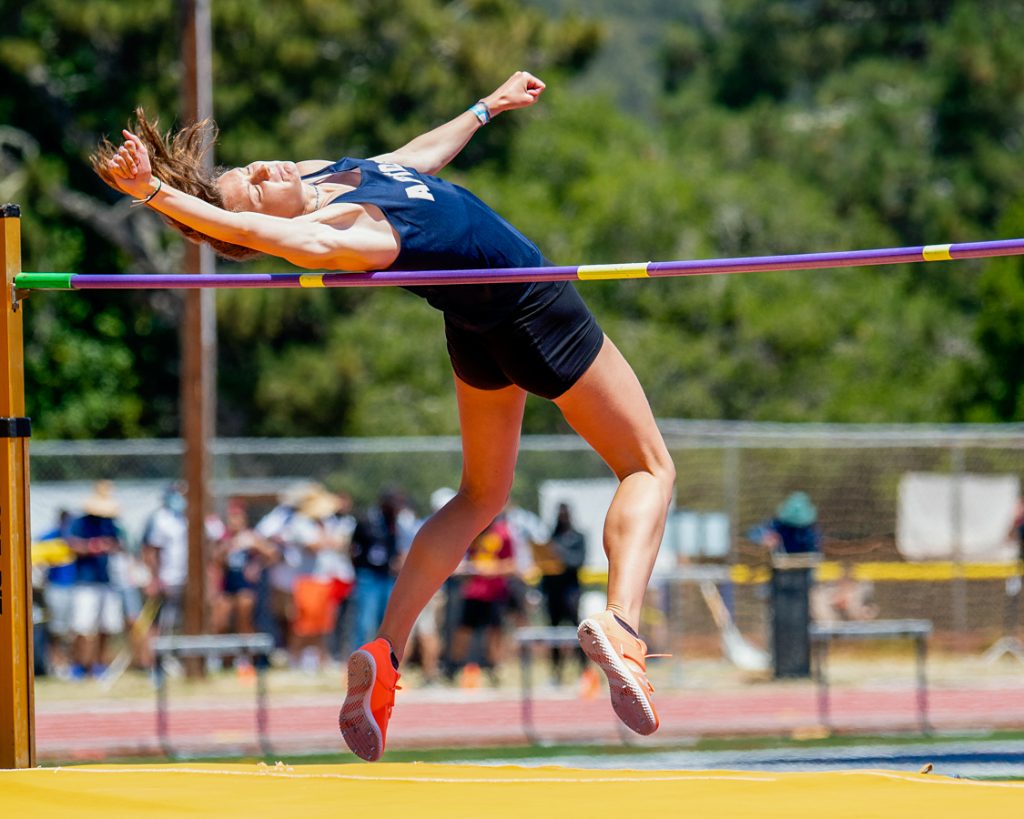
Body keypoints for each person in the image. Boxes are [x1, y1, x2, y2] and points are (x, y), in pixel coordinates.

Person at [93, 70, 676, 760]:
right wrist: (156, 195)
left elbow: (412, 160)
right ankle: (621, 624)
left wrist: (485, 109)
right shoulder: (339, 235)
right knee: (647, 466)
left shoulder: (339, 176)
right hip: (533, 310)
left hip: (478, 331)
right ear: (269, 219)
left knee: (480, 495)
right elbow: (250, 231)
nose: (262, 172)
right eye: (254, 187)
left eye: (249, 169)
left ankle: (384, 651)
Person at [67, 481, 126, 678]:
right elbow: (71, 545)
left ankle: (100, 664)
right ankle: (80, 665)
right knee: (82, 626)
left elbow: (121, 545)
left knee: (106, 626)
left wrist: (111, 546)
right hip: (85, 581)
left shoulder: (111, 524)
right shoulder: (80, 522)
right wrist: (92, 546)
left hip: (106, 580)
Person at [540, 503, 588, 683]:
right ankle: (555, 673)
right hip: (553, 592)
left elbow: (579, 561)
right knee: (554, 633)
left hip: (571, 591)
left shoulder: (578, 537)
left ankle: (583, 671)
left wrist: (559, 553)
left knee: (577, 632)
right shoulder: (551, 538)